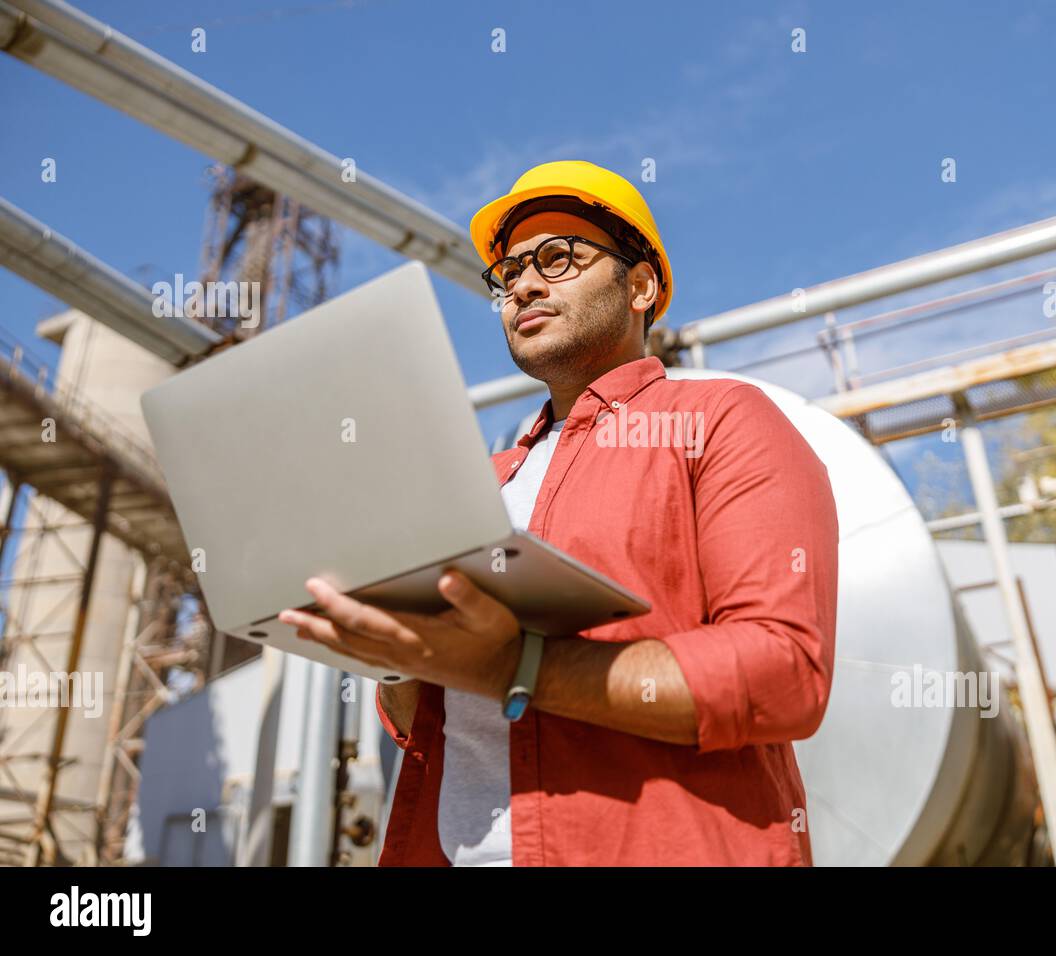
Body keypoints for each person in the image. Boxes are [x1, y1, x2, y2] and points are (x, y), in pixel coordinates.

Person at [279, 160, 839, 865]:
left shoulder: (723, 421)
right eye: (507, 274)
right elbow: (426, 718)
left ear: (641, 286)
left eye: (557, 257)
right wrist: (395, 654)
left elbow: (784, 671)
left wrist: (517, 667)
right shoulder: (477, 484)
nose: (523, 286)